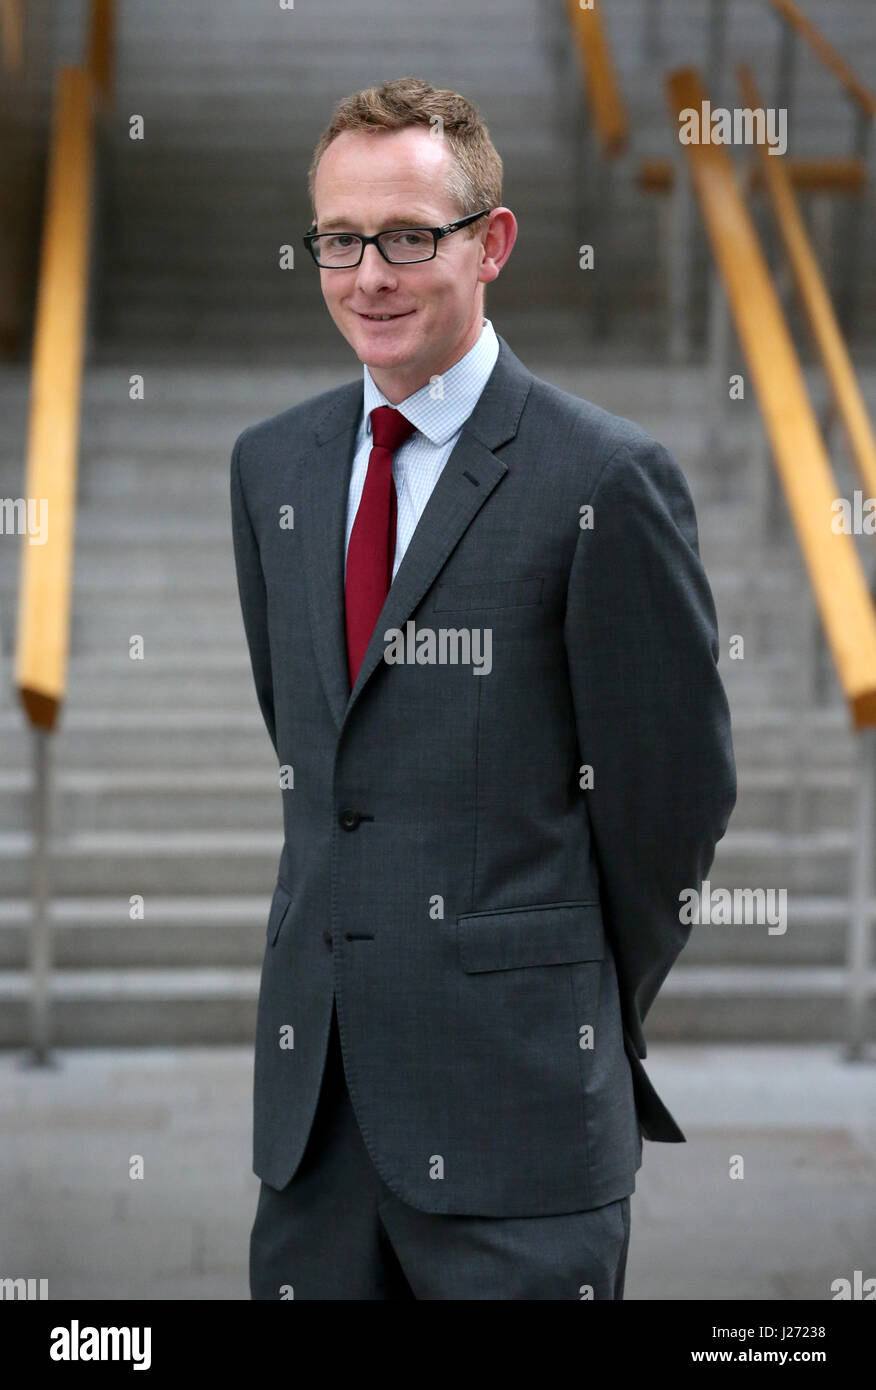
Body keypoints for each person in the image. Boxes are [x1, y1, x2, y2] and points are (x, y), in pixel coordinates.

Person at [231, 76, 736, 1300]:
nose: (369, 277)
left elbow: (671, 801)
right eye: (339, 241)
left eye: (410, 237)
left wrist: (543, 982)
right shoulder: (272, 467)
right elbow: (322, 760)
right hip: (316, 1135)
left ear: (492, 243)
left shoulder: (605, 479)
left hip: (518, 1127)